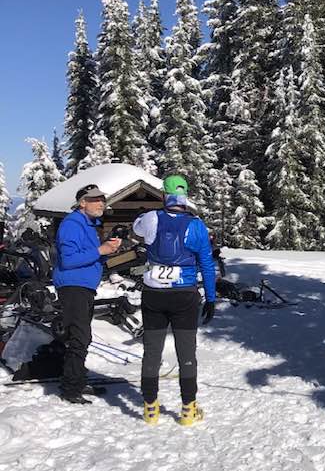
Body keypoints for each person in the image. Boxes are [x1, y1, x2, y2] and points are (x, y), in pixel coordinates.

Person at [132, 174, 216, 427]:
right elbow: (207, 265)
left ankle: (150, 409)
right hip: (184, 294)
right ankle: (188, 409)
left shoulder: (150, 218)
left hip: (154, 293)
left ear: (164, 195)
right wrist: (211, 298)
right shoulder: (197, 225)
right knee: (186, 351)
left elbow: (136, 229)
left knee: (152, 351)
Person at [52, 184, 122, 403]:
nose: (101, 203)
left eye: (102, 199)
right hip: (73, 287)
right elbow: (69, 259)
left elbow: (88, 257)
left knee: (82, 336)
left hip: (83, 287)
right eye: (95, 199)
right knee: (79, 337)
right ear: (82, 202)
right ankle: (71, 389)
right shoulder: (72, 224)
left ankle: (78, 382)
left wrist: (107, 251)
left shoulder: (88, 225)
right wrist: (100, 250)